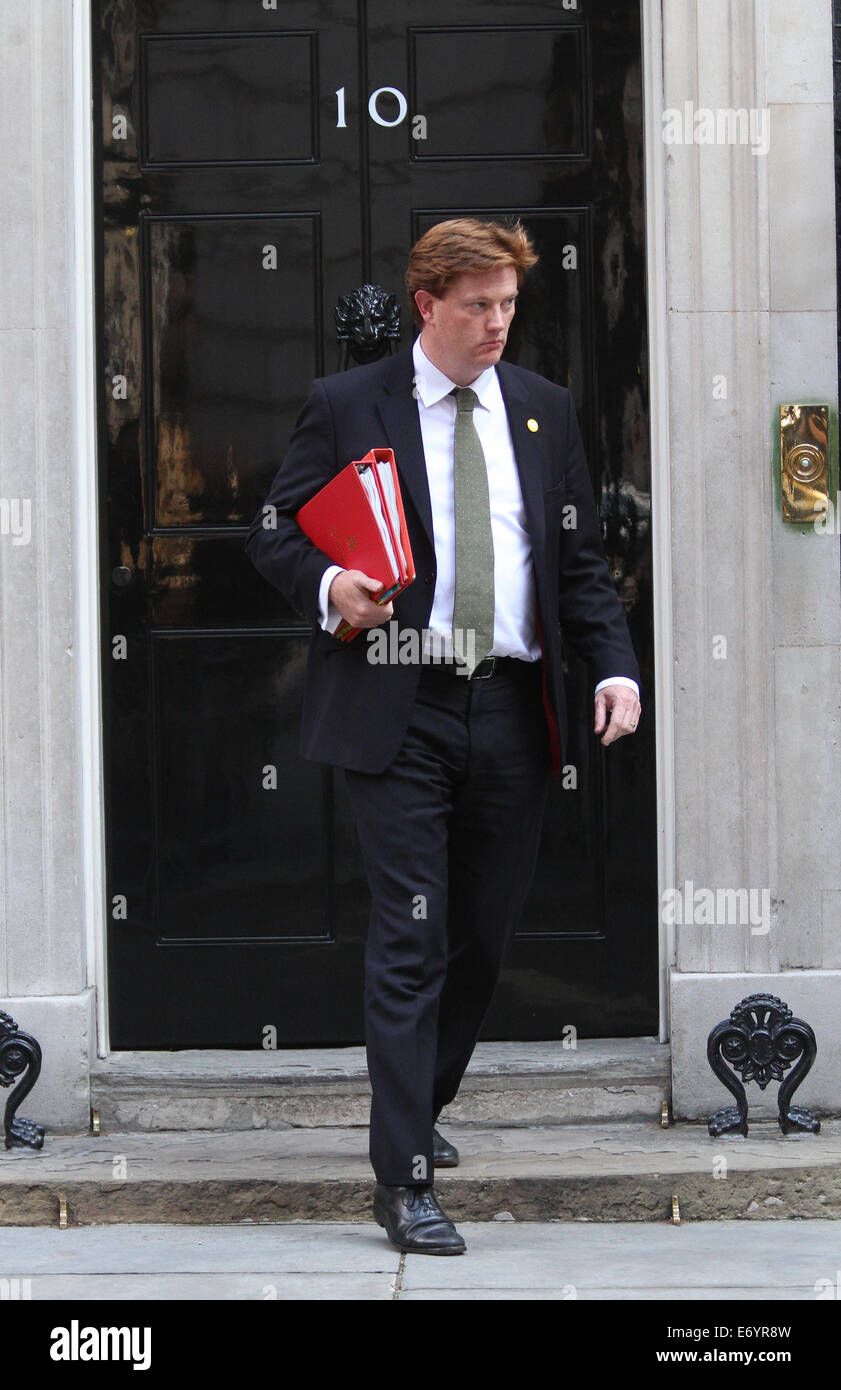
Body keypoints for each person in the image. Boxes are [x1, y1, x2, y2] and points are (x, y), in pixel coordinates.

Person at [245, 218, 641, 1255]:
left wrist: (613, 665)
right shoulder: (349, 405)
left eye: (509, 304)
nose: (497, 323)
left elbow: (580, 565)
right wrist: (333, 588)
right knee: (411, 936)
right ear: (427, 304)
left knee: (483, 934)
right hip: (398, 703)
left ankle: (418, 1104)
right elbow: (277, 530)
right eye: (478, 305)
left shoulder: (544, 412)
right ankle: (404, 1177)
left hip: (511, 706)